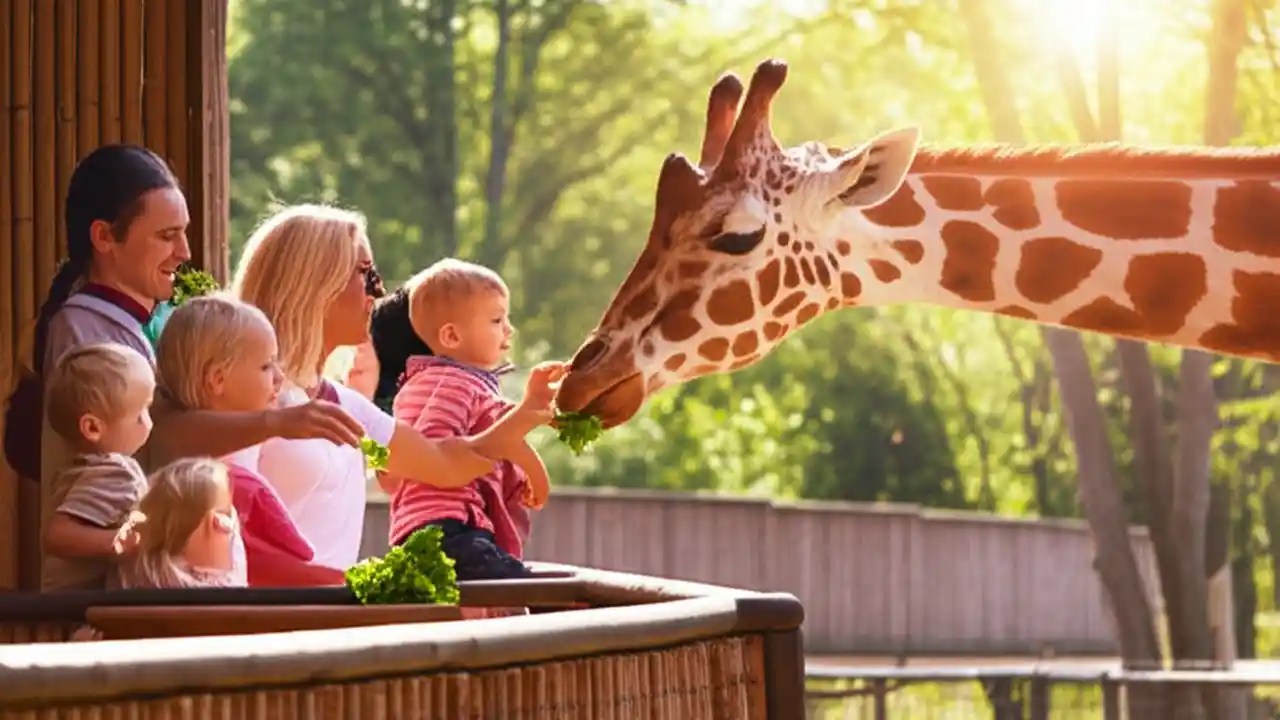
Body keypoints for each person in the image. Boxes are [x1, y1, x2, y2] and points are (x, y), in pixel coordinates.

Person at [3, 145, 364, 582]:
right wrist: (273, 422)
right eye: (165, 235)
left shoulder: (135, 324)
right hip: (103, 593)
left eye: (184, 233)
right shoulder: (85, 331)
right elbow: (158, 439)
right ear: (104, 238)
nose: (184, 251)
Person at [221, 204, 565, 569]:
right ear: (315, 285)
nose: (379, 290)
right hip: (273, 617)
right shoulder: (251, 396)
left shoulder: (344, 405)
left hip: (328, 618)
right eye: (364, 274)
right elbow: (230, 531)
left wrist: (526, 415)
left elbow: (442, 462)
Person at [380, 258, 551, 580]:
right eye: (497, 320)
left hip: (423, 528)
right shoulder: (453, 383)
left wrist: (526, 471)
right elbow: (431, 447)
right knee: (519, 590)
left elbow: (501, 440)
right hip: (449, 526)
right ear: (452, 336)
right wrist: (537, 479)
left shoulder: (427, 382)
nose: (508, 329)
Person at [155, 295, 343, 586]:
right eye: (266, 366)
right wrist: (354, 581)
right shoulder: (223, 483)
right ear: (217, 379)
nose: (279, 377)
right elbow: (271, 566)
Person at [40, 343, 152, 591]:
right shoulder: (115, 472)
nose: (149, 423)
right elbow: (58, 536)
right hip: (84, 606)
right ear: (92, 428)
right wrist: (125, 541)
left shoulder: (79, 468)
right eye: (140, 413)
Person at [116, 457, 248, 589]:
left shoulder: (135, 567)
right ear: (214, 525)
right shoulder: (218, 595)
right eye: (225, 515)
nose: (231, 529)